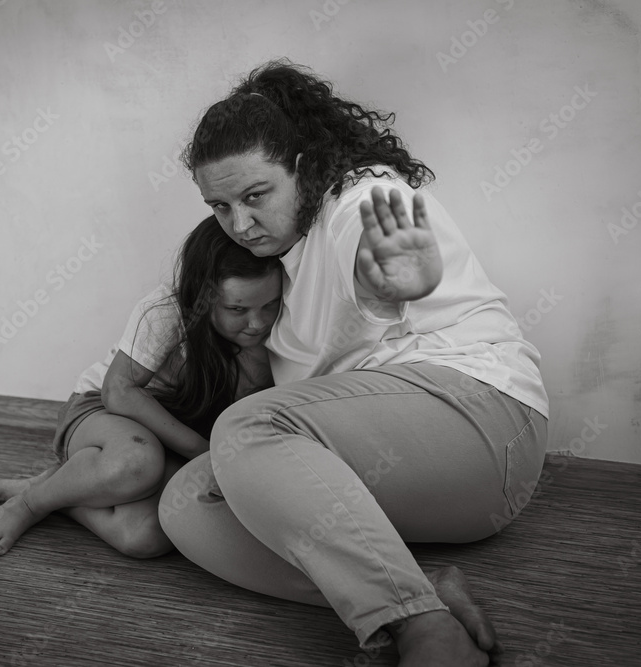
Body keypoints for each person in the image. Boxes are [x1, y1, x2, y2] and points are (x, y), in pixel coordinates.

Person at [157, 61, 550, 666]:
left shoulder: (359, 198)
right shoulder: (279, 273)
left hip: (480, 416)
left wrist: (393, 275)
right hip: (414, 477)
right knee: (186, 504)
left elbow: (381, 264)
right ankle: (417, 601)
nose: (240, 224)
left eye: (255, 195)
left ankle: (425, 633)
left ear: (305, 166)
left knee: (245, 428)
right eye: (220, 206)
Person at [0, 216, 282, 559]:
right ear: (202, 297)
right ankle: (32, 504)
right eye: (237, 309)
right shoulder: (167, 311)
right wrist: (200, 450)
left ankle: (58, 488)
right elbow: (119, 391)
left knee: (146, 536)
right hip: (104, 412)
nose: (257, 323)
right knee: (136, 461)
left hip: (171, 436)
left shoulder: (282, 333)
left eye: (269, 305)